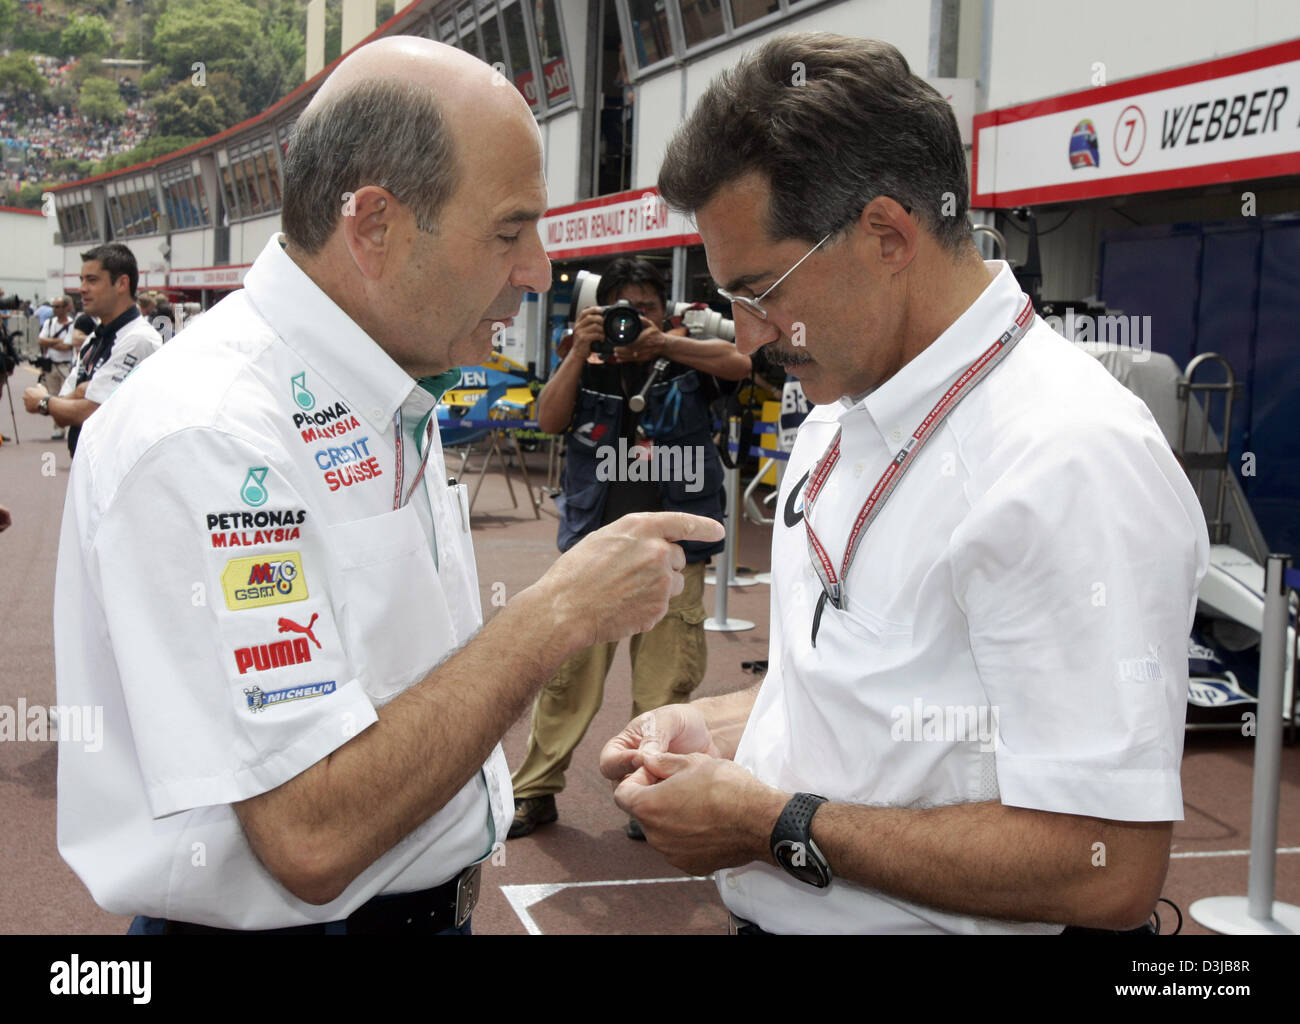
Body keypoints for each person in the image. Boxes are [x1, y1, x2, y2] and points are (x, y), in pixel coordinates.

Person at [54, 35, 722, 935]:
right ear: (373, 227)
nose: (539, 271)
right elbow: (313, 835)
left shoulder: (366, 387)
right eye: (509, 230)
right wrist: (557, 613)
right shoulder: (216, 432)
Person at [599, 33, 1210, 935]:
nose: (751, 334)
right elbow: (873, 700)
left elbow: (1106, 866)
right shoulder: (847, 403)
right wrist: (721, 736)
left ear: (887, 234)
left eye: (761, 289)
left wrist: (772, 826)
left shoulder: (1071, 457)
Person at [508, 258, 749, 841]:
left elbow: (740, 364)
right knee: (567, 680)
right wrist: (575, 351)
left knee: (663, 686)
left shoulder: (686, 358)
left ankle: (653, 794)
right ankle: (535, 792)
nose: (632, 319)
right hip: (595, 551)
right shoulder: (586, 366)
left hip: (676, 550)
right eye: (622, 308)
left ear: (662, 311)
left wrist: (663, 341)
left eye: (644, 306)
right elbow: (549, 418)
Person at [23, 244, 162, 457]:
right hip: (87, 465)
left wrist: (45, 402)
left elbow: (91, 411)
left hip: (118, 470)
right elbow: (66, 404)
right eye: (82, 280)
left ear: (122, 283)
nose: (82, 288)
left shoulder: (138, 339)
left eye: (92, 280)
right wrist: (77, 396)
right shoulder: (95, 337)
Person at [35, 295, 77, 440]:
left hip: (65, 365)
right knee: (52, 396)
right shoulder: (49, 322)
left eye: (58, 306)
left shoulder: (72, 324)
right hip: (51, 365)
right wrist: (57, 342)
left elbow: (67, 346)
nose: (55, 309)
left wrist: (50, 342)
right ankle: (58, 428)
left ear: (66, 308)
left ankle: (68, 424)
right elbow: (41, 340)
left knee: (66, 396)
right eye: (54, 306)